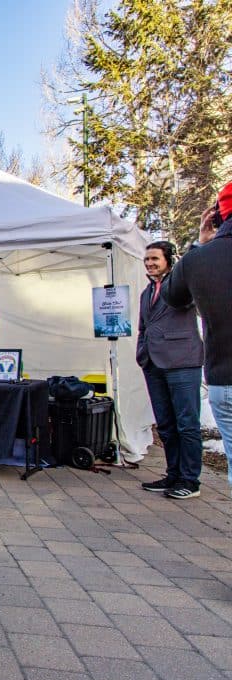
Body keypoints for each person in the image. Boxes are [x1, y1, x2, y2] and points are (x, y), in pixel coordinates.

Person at [164, 181, 232, 496]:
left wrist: (201, 244)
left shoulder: (200, 258)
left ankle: (187, 477)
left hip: (222, 377)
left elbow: (173, 296)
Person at [136, 241, 204, 499]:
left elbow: (193, 273)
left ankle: (190, 479)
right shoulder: (146, 293)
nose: (150, 263)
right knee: (165, 424)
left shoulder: (181, 286)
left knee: (187, 424)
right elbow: (144, 325)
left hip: (182, 362)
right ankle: (173, 474)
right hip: (153, 364)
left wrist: (197, 247)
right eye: (147, 260)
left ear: (168, 260)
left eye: (155, 259)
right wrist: (141, 352)